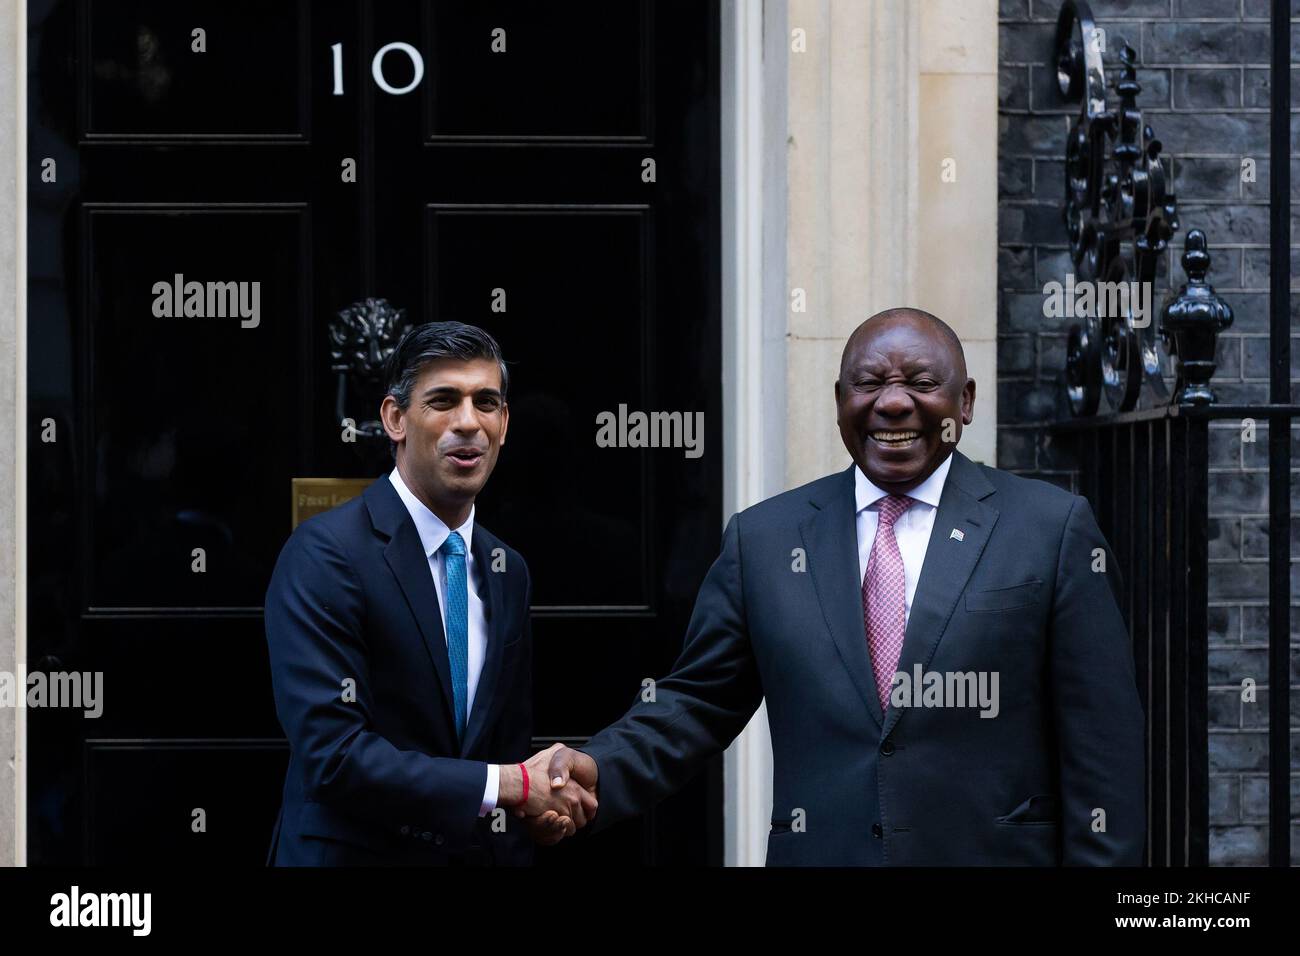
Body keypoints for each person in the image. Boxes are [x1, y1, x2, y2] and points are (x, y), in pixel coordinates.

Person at [534, 307, 1145, 865]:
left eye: (922, 384)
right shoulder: (765, 539)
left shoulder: (1051, 529)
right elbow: (696, 703)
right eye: (870, 383)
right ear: (838, 400)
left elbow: (1104, 753)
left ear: (966, 402)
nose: (894, 403)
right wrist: (595, 768)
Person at [265, 321, 594, 865]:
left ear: (504, 423)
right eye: (443, 400)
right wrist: (511, 786)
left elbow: (504, 747)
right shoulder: (325, 554)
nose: (468, 423)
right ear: (394, 418)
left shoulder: (507, 569)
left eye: (486, 402)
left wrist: (538, 809)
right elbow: (334, 755)